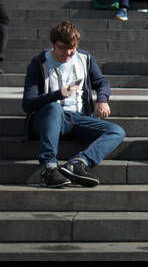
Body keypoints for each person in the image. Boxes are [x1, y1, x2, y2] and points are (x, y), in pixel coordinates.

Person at [22, 19, 125, 188]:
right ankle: (49, 168)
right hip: (47, 119)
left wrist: (102, 99)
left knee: (117, 131)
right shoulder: (39, 63)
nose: (68, 53)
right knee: (54, 108)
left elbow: (102, 82)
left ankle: (78, 164)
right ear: (53, 44)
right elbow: (27, 104)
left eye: (73, 48)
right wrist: (57, 94)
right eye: (63, 48)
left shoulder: (85, 58)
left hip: (77, 118)